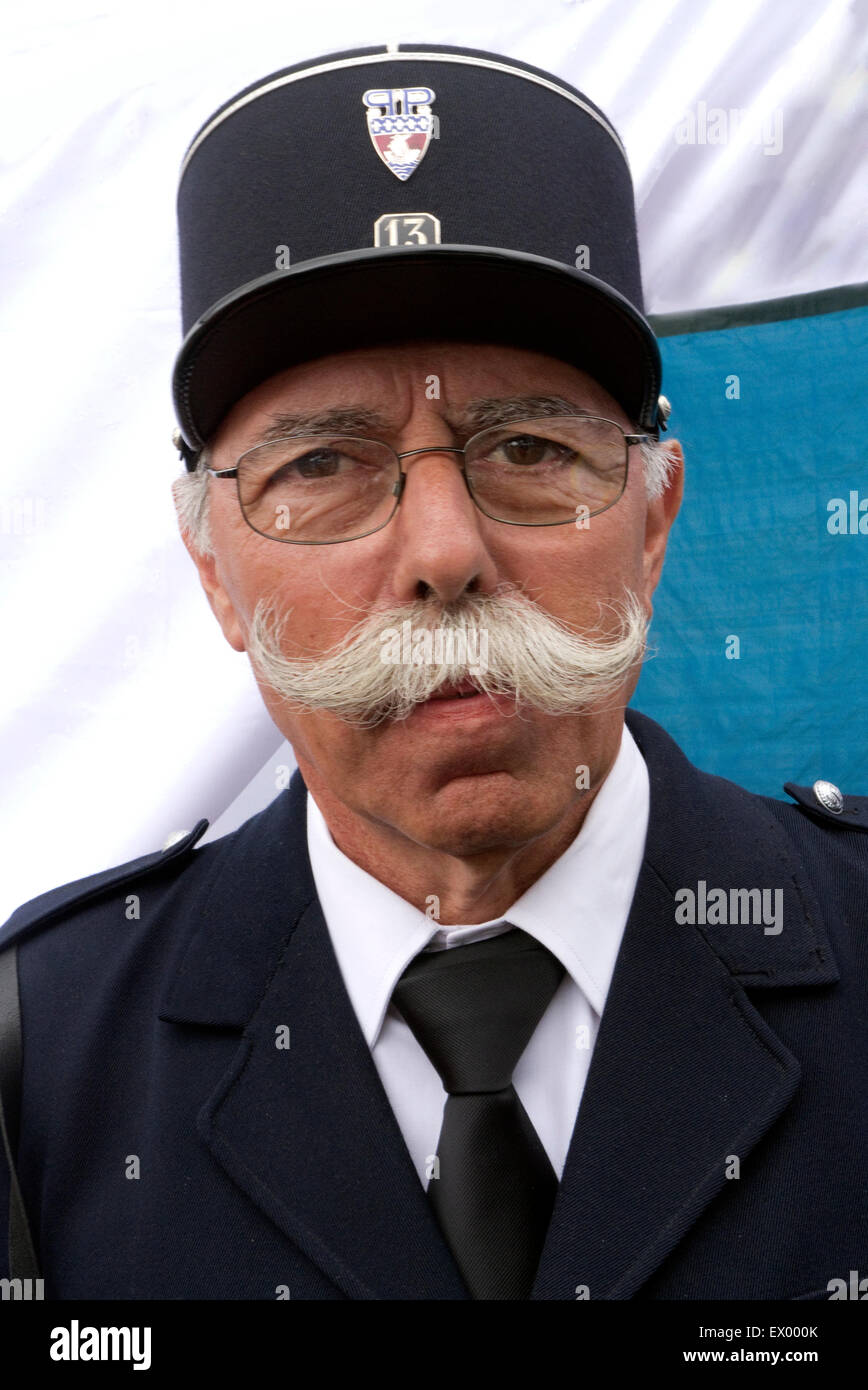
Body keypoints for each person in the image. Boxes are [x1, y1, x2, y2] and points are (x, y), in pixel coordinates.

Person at [1, 42, 866, 1303]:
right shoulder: (39, 1058)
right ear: (212, 571)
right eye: (321, 466)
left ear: (655, 518)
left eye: (526, 445)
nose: (445, 553)